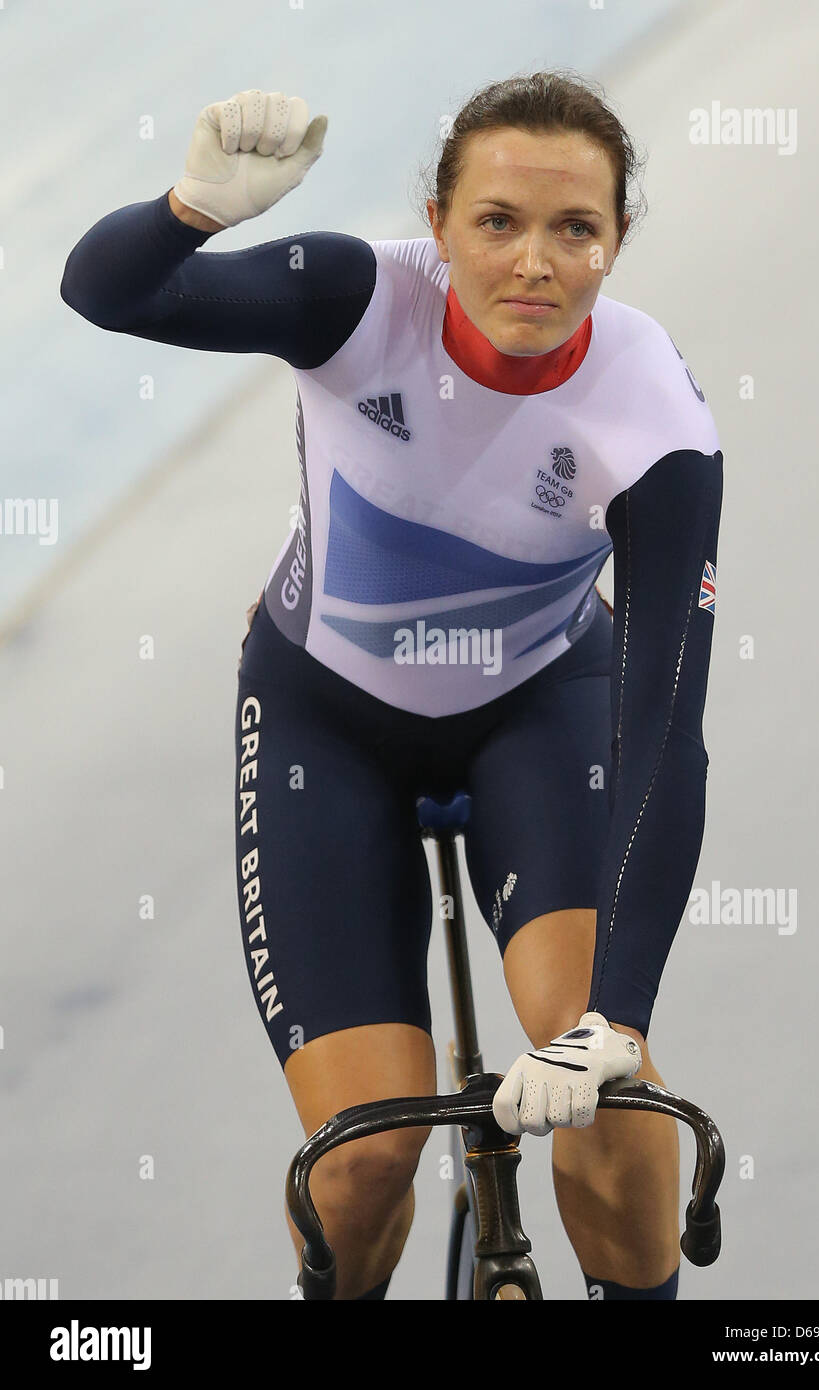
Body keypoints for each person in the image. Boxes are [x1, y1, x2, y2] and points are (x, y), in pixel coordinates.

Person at [60, 72, 724, 1302]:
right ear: (437, 219)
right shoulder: (357, 296)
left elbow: (663, 729)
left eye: (576, 229)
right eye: (497, 221)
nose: (535, 261)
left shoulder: (654, 420)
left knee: (621, 1124)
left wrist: (614, 1025)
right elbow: (105, 290)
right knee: (362, 1167)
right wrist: (192, 210)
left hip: (540, 709)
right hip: (329, 719)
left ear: (617, 240)